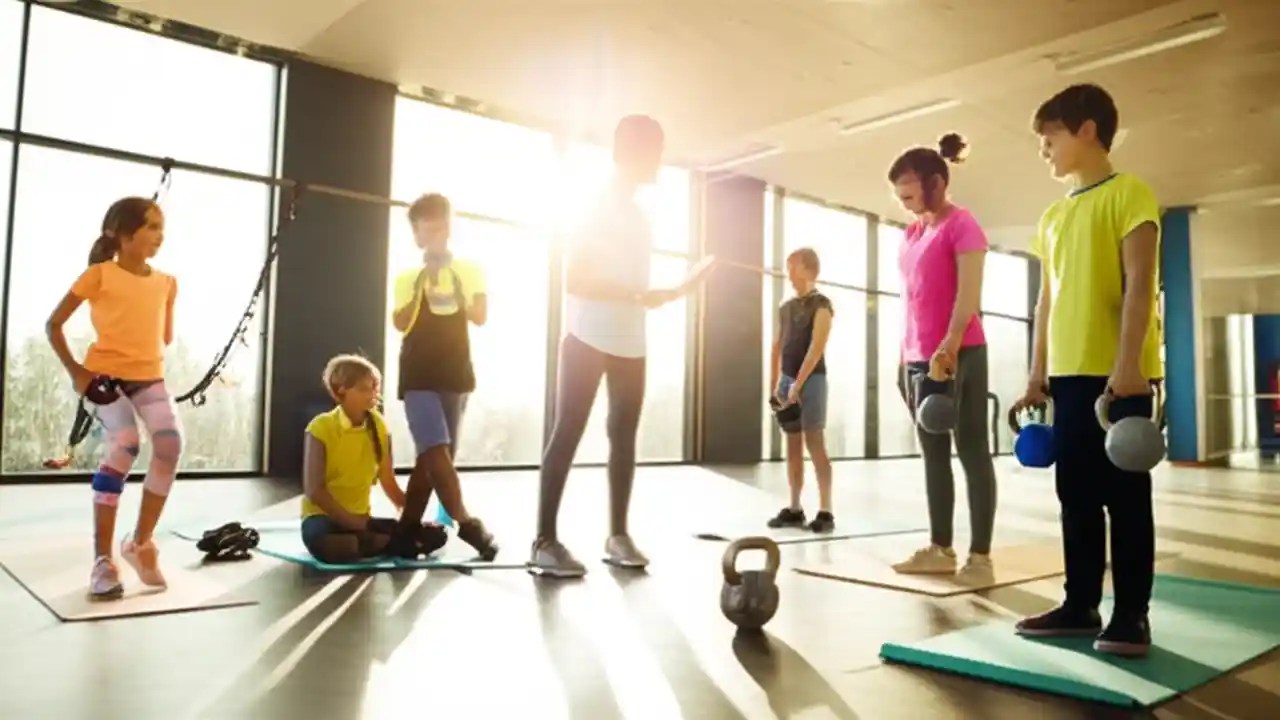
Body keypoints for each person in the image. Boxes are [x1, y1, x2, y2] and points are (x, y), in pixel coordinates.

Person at [1012, 83, 1162, 657]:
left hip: (1119, 379)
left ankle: (1131, 616)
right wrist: (1035, 373)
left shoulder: (1131, 194)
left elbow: (1139, 283)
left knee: (1125, 497)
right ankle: (1080, 605)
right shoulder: (1052, 216)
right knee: (1074, 494)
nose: (1044, 150)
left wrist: (1129, 366)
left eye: (1050, 138)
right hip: (1069, 378)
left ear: (1087, 130)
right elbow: (1046, 301)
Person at [529, 114, 715, 578]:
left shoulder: (637, 213)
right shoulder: (595, 204)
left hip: (631, 337)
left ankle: (617, 535)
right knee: (568, 430)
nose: (659, 159)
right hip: (588, 334)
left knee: (624, 436)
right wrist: (635, 295)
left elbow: (628, 279)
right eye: (654, 149)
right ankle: (543, 541)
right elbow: (578, 277)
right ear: (631, 152)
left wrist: (659, 294)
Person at [46, 197, 184, 600]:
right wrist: (78, 373)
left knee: (170, 444)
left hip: (149, 378)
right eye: (152, 226)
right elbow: (53, 324)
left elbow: (164, 338)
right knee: (126, 444)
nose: (160, 235)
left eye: (162, 227)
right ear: (121, 234)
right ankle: (103, 560)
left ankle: (140, 544)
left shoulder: (168, 283)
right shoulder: (98, 275)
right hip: (103, 379)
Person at [886, 133, 999, 579]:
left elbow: (968, 293)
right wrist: (904, 359)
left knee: (971, 449)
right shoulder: (912, 231)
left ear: (935, 183)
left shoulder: (962, 224)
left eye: (910, 193)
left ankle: (981, 557)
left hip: (959, 351)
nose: (905, 203)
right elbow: (911, 299)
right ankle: (940, 548)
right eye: (899, 195)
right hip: (916, 358)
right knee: (932, 454)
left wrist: (948, 346)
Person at [389, 193, 497, 561]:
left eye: (441, 225)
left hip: (456, 373)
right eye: (427, 228)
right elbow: (401, 321)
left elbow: (479, 315)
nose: (435, 233)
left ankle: (405, 532)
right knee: (435, 450)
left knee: (433, 458)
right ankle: (467, 524)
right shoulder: (407, 276)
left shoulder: (470, 270)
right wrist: (425, 281)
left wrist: (449, 279)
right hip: (418, 373)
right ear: (417, 236)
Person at [300, 355, 440, 563]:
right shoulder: (320, 427)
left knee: (436, 535)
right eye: (365, 388)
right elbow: (314, 491)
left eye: (375, 388)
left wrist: (413, 518)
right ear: (341, 390)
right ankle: (387, 545)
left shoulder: (379, 426)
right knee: (341, 546)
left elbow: (388, 481)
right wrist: (352, 522)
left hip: (362, 522)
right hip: (324, 519)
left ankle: (384, 543)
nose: (373, 394)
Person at [766, 248, 835, 533]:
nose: (789, 273)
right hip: (786, 381)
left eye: (793, 267)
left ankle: (825, 511)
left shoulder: (822, 305)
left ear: (808, 269)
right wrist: (776, 386)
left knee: (814, 442)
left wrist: (799, 383)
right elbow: (777, 347)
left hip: (813, 381)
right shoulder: (786, 308)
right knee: (792, 445)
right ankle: (794, 508)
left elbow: (816, 347)